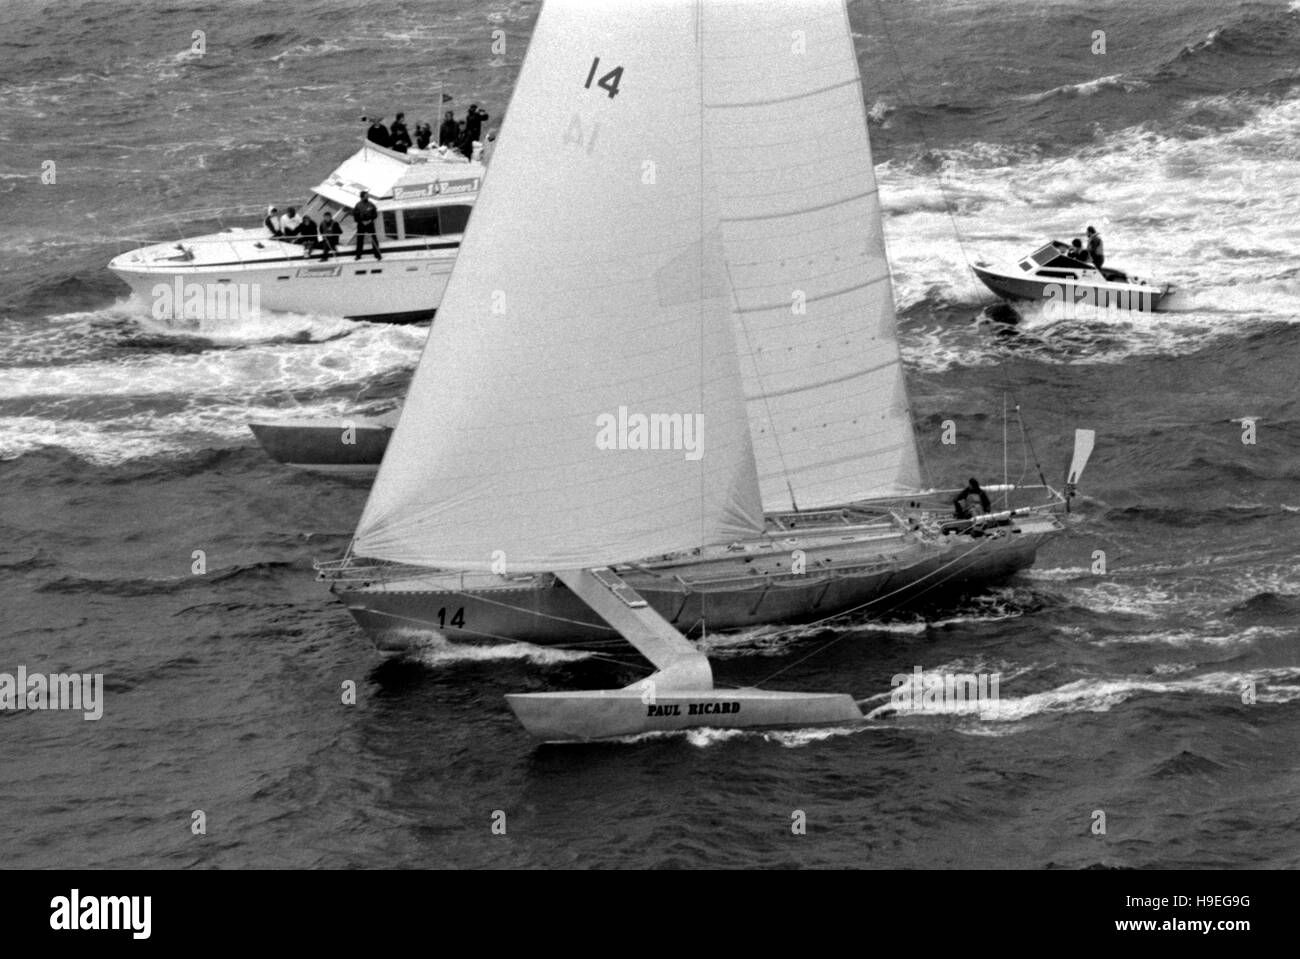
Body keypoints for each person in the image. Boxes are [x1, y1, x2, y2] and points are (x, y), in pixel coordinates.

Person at [352, 190, 381, 260]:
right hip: (361, 225)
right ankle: (358, 255)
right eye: (366, 195)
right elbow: (355, 217)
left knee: (374, 239)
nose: (368, 196)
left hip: (370, 224)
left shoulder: (371, 204)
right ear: (362, 196)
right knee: (360, 240)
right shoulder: (357, 205)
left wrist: (370, 220)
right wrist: (362, 222)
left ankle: (377, 255)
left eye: (368, 195)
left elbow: (375, 214)